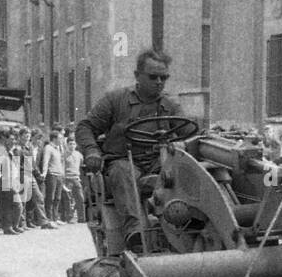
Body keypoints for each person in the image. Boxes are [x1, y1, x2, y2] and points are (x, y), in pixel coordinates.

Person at [75, 48, 184, 251]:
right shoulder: (116, 100)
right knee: (123, 171)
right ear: (137, 76)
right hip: (124, 160)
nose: (159, 82)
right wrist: (91, 151)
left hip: (159, 163)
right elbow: (85, 127)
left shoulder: (171, 106)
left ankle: (186, 227)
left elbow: (189, 133)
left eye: (163, 77)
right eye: (153, 77)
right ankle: (136, 232)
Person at [41, 130, 66, 223]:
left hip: (59, 175)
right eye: (60, 138)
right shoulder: (48, 147)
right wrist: (44, 173)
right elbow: (45, 161)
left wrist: (63, 175)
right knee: (50, 198)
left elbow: (60, 163)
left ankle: (55, 218)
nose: (61, 140)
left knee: (57, 198)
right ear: (54, 138)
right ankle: (49, 218)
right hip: (51, 175)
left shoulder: (57, 149)